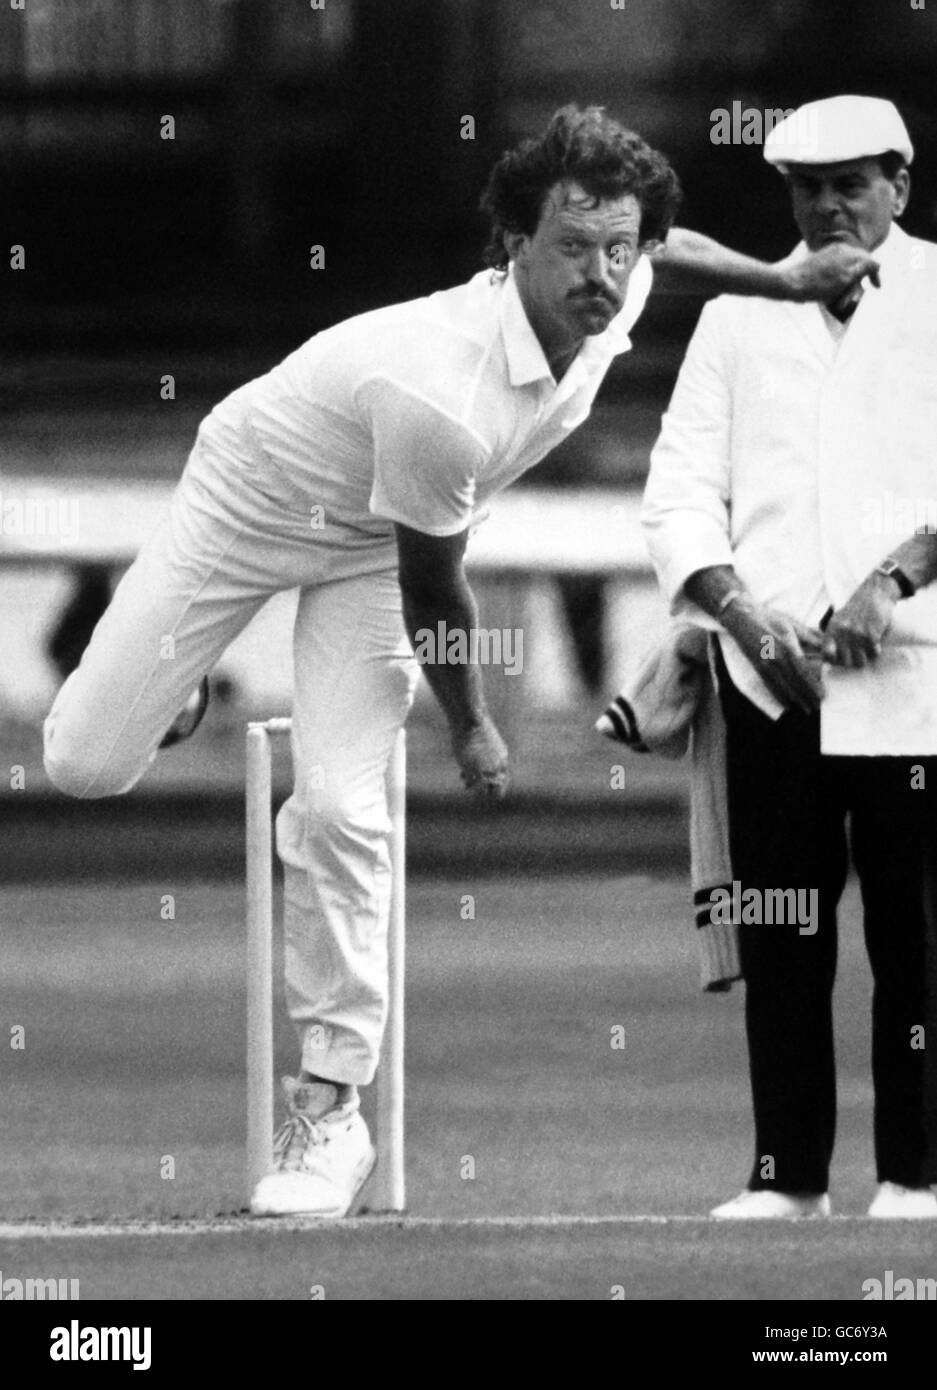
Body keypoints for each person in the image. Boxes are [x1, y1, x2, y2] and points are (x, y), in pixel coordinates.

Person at [43, 104, 875, 1219]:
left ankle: (329, 1110)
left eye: (615, 246)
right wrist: (473, 728)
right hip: (252, 496)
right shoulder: (445, 394)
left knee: (340, 810)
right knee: (83, 765)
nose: (602, 270)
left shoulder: (617, 274)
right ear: (513, 247)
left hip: (368, 558)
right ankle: (178, 685)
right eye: (572, 247)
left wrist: (781, 280)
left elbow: (664, 249)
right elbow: (441, 589)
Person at [642, 95, 937, 1220]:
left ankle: (914, 1172)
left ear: (897, 186)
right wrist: (744, 616)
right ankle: (787, 1175)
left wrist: (890, 581)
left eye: (850, 182)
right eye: (806, 186)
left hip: (907, 673)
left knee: (911, 940)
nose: (825, 204)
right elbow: (678, 492)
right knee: (782, 933)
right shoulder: (737, 316)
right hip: (768, 676)